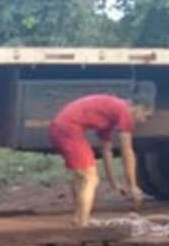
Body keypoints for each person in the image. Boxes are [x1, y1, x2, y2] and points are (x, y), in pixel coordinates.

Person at [48, 93, 152, 226]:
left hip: (59, 127)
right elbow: (127, 152)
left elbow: (106, 151)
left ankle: (78, 217)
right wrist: (133, 186)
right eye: (146, 116)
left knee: (81, 176)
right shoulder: (125, 112)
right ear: (139, 108)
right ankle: (83, 221)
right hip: (68, 129)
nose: (143, 120)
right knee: (90, 178)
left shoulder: (109, 118)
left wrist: (114, 183)